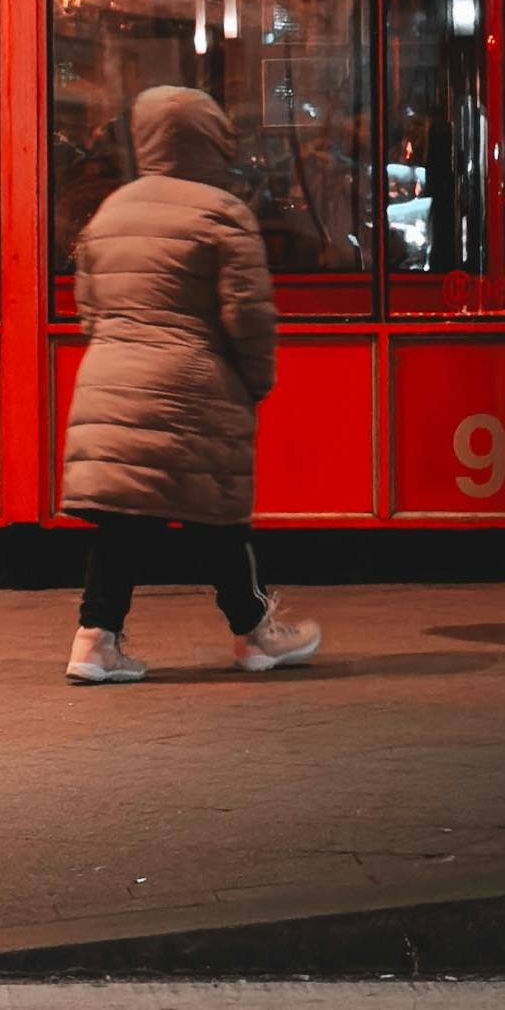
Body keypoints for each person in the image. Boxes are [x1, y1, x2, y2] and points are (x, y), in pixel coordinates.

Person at [58, 83, 323, 685]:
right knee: (220, 519)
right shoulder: (221, 212)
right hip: (194, 383)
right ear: (211, 139)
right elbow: (249, 315)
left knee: (120, 519)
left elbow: (90, 310)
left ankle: (95, 641)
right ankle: (255, 633)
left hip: (111, 381)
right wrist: (255, 381)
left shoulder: (112, 211)